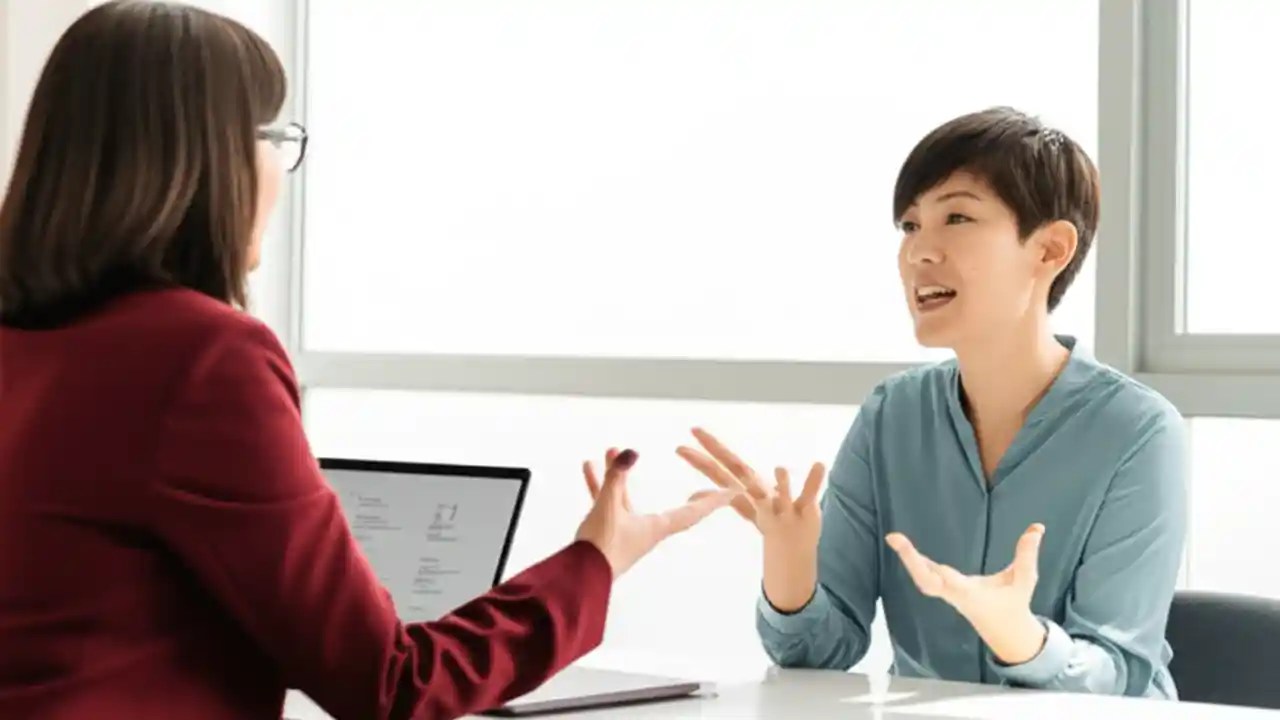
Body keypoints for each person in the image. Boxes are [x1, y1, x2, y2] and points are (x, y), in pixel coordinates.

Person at [0, 3, 735, 719]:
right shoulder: (202, 356)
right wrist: (597, 561)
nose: (281, 171)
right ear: (211, 157)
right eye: (274, 137)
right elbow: (391, 684)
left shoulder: (26, 346)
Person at [680, 107, 1188, 699]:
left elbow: (1120, 673)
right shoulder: (891, 416)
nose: (919, 252)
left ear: (1049, 249)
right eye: (910, 225)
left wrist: (1021, 637)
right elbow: (823, 652)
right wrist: (789, 567)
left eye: (957, 217)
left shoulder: (1138, 431)